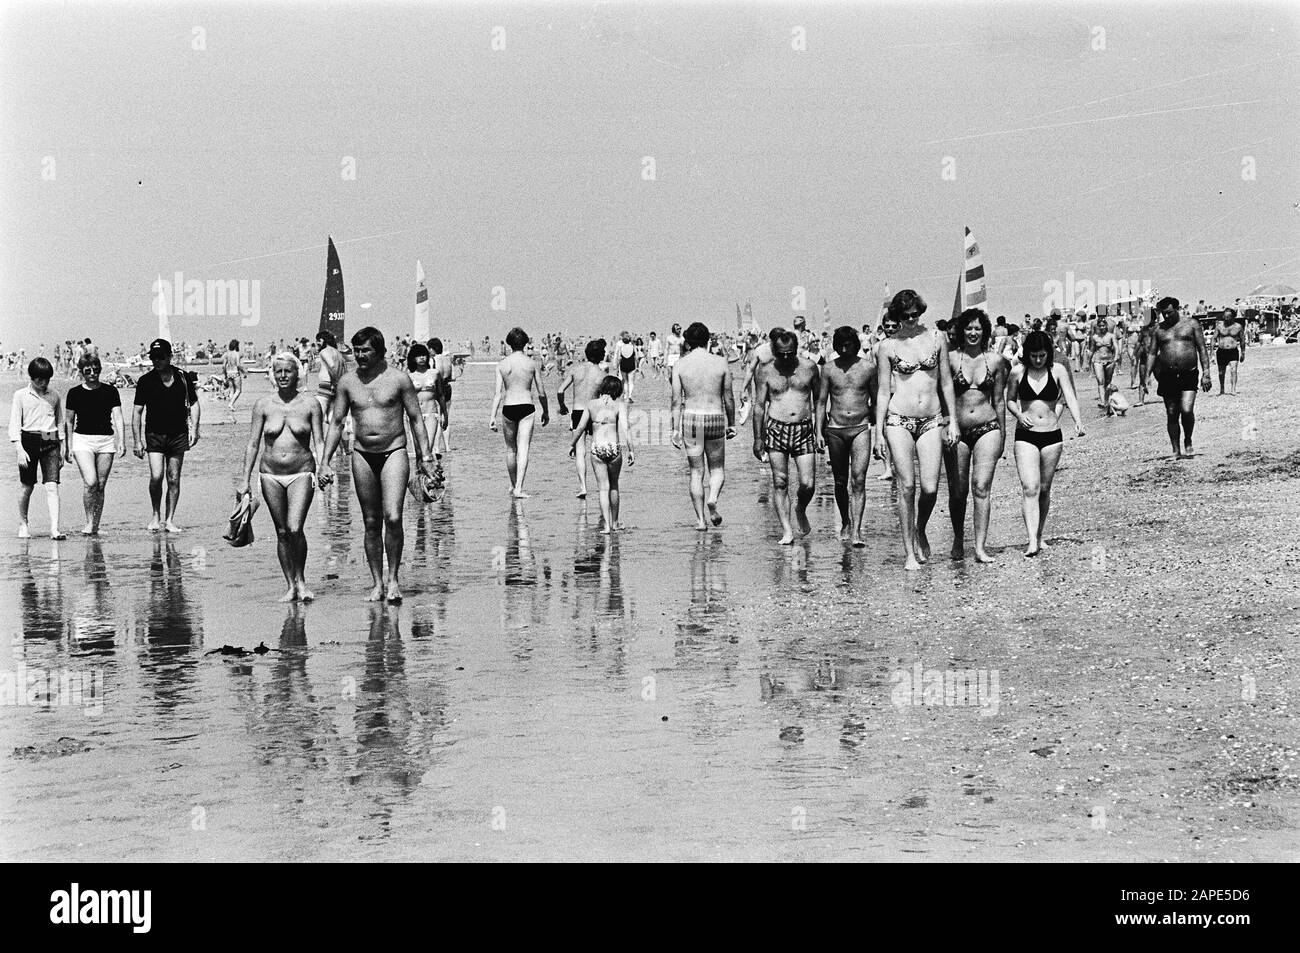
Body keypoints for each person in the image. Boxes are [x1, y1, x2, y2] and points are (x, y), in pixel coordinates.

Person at [318, 327, 435, 603]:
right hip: (362, 454)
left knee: (393, 517)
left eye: (366, 351)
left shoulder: (399, 380)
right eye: (357, 351)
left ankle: (394, 579)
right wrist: (324, 461)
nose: (360, 356)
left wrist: (426, 457)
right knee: (371, 522)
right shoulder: (348, 382)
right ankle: (377, 583)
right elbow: (336, 423)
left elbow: (416, 419)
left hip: (394, 452)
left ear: (380, 351)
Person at [873, 290, 959, 571]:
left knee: (931, 488)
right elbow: (883, 392)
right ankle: (909, 552)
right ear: (897, 316)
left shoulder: (936, 338)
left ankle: (920, 527)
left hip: (932, 419)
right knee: (906, 486)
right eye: (905, 316)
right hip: (899, 419)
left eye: (915, 315)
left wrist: (952, 419)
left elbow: (946, 382)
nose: (911, 320)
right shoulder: (887, 347)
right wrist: (878, 433)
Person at [240, 352, 325, 601]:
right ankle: (291, 585)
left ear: (297, 373)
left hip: (302, 472)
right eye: (278, 371)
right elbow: (253, 444)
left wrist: (324, 466)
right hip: (270, 475)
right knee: (282, 532)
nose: (283, 376)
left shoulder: (310, 404)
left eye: (288, 371)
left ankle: (301, 579)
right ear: (272, 375)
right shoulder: (263, 405)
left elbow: (319, 440)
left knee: (295, 527)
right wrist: (244, 480)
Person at [1007, 330, 1086, 557]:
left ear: (1048, 354)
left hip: (1052, 435)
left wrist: (1078, 421)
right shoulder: (1017, 372)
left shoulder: (1058, 370)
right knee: (1029, 487)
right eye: (1034, 356)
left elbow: (1069, 396)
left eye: (1042, 355)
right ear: (1027, 354)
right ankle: (1031, 540)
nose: (1038, 360)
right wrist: (1019, 416)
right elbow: (1010, 400)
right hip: (1026, 435)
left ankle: (1040, 535)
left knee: (1044, 489)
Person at [944, 309, 1009, 563]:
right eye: (969, 328)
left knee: (981, 487)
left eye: (978, 329)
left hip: (987, 427)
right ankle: (959, 538)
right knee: (958, 492)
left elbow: (999, 401)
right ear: (961, 331)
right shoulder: (950, 359)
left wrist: (1003, 434)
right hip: (957, 430)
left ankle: (980, 547)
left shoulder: (995, 361)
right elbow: (942, 397)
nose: (973, 333)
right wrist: (947, 424)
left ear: (985, 331)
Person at [754, 330, 819, 544]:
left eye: (789, 353)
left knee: (807, 483)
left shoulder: (809, 368)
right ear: (773, 350)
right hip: (776, 429)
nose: (785, 358)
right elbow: (759, 406)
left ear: (796, 349)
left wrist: (820, 431)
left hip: (803, 428)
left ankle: (800, 508)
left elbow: (819, 401)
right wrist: (758, 438)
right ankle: (787, 530)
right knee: (780, 482)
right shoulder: (765, 371)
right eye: (781, 354)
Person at [670, 321, 735, 530]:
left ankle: (700, 521)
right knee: (716, 469)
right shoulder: (720, 363)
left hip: (691, 419)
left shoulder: (680, 365)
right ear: (708, 340)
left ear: (687, 342)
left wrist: (675, 429)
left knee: (696, 472)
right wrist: (732, 423)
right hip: (715, 417)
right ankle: (713, 497)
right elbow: (729, 397)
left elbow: (675, 400)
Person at [132, 338, 199, 532]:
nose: (157, 361)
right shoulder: (146, 381)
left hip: (178, 434)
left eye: (161, 357)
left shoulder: (183, 377)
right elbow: (137, 411)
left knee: (173, 477)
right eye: (154, 357)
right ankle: (155, 515)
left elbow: (194, 404)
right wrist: (137, 441)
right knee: (156, 476)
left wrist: (195, 428)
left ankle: (169, 520)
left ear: (170, 356)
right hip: (154, 434)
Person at [816, 326, 876, 546]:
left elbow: (877, 399)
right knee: (840, 482)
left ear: (855, 344)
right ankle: (845, 520)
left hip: (861, 427)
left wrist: (878, 431)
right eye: (840, 345)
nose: (844, 349)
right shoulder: (829, 369)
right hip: (835, 428)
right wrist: (818, 432)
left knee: (859, 480)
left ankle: (857, 531)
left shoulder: (868, 368)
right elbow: (821, 402)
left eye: (848, 345)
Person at [64, 353, 125, 536]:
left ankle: (96, 525)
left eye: (96, 369)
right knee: (90, 482)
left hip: (106, 441)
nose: (92, 373)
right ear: (82, 372)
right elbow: (68, 421)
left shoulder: (111, 391)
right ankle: (89, 522)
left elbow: (118, 417)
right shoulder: (74, 393)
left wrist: (122, 440)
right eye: (88, 370)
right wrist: (67, 446)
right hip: (82, 440)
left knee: (100, 484)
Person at [487, 327, 550, 498]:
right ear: (525, 343)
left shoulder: (502, 364)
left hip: (509, 407)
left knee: (510, 449)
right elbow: (541, 392)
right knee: (524, 448)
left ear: (509, 344)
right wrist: (546, 411)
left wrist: (492, 417)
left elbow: (498, 394)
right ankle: (519, 488)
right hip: (526, 406)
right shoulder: (531, 364)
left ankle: (513, 484)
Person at [1146, 296, 1211, 459]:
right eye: (1163, 314)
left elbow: (1202, 349)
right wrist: (1146, 376)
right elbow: (1152, 353)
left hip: (1188, 373)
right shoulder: (1158, 330)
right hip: (1167, 375)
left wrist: (1206, 373)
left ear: (1177, 309)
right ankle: (1175, 449)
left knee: (1186, 409)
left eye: (1169, 313)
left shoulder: (1191, 324)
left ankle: (1188, 440)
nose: (1166, 316)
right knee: (1171, 412)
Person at [569, 375, 634, 533]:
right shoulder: (619, 405)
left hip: (597, 447)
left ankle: (605, 525)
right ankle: (615, 522)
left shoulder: (591, 404)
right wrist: (632, 449)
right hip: (613, 447)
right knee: (614, 486)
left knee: (602, 488)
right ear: (617, 390)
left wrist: (572, 445)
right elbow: (626, 429)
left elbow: (580, 427)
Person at [9, 357, 65, 539]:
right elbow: (15, 424)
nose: (43, 383)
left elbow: (60, 421)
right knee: (27, 486)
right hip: (28, 440)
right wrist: (19, 449)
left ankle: (55, 529)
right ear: (31, 378)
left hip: (50, 438)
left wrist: (62, 447)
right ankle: (23, 524)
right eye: (39, 379)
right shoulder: (20, 395)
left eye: (47, 379)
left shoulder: (54, 395)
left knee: (52, 486)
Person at [556, 338, 607, 499]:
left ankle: (583, 487)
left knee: (580, 452)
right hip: (594, 412)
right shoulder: (602, 374)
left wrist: (563, 406)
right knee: (598, 450)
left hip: (577, 412)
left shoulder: (575, 370)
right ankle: (602, 486)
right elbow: (607, 399)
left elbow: (560, 390)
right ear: (600, 356)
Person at [406, 343, 444, 460]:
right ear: (413, 358)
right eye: (418, 356)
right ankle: (420, 476)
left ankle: (428, 477)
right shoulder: (409, 376)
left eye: (424, 355)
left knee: (427, 451)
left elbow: (440, 395)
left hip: (431, 413)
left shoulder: (434, 373)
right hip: (415, 416)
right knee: (418, 452)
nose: (422, 358)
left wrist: (444, 415)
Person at [314, 329, 346, 455]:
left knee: (317, 419)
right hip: (336, 390)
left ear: (322, 341)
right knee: (335, 420)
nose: (316, 345)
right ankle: (344, 449)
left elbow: (332, 366)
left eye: (318, 342)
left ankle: (320, 449)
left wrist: (335, 381)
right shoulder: (339, 353)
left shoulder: (324, 352)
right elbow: (344, 369)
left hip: (325, 388)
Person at [429, 337, 460, 452]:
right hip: (447, 388)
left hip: (437, 390)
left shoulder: (432, 360)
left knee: (436, 418)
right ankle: (447, 447)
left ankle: (436, 448)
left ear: (432, 349)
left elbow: (431, 377)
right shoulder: (448, 360)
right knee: (446, 417)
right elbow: (453, 377)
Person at [1214, 307, 1246, 396]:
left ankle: (1233, 389)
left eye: (1228, 317)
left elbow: (1242, 340)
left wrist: (1243, 353)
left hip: (1233, 351)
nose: (1226, 318)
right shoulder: (1219, 326)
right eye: (1225, 316)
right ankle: (1222, 388)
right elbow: (1214, 338)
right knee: (1221, 372)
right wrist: (1211, 353)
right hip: (1221, 351)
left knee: (1233, 369)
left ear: (1233, 317)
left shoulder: (1238, 327)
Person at [1087, 315, 1117, 406]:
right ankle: (1102, 401)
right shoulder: (1095, 337)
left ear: (1106, 326)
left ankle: (1107, 400)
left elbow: (1116, 346)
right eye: (1100, 326)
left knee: (1108, 382)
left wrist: (1117, 356)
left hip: (1109, 359)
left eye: (1103, 325)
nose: (1102, 327)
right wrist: (1089, 360)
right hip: (1098, 360)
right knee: (1100, 381)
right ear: (1097, 327)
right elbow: (1092, 349)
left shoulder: (1111, 336)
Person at [612, 331, 639, 402]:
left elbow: (619, 358)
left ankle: (625, 396)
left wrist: (617, 367)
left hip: (623, 365)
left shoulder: (621, 346)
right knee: (631, 382)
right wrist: (638, 366)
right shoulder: (632, 346)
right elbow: (636, 357)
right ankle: (629, 396)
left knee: (625, 382)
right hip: (631, 365)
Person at [222, 339, 245, 415]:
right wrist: (244, 372)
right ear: (236, 346)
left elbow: (223, 366)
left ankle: (231, 405)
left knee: (232, 390)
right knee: (238, 390)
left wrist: (225, 375)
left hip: (229, 372)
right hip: (235, 372)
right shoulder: (237, 354)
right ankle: (231, 404)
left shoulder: (227, 354)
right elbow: (238, 365)